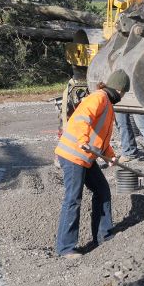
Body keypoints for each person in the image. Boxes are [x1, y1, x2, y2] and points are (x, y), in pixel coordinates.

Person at [54, 69, 129, 259]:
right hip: (74, 155)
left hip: (85, 156)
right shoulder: (99, 97)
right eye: (125, 92)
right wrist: (82, 139)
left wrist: (110, 156)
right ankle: (66, 248)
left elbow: (101, 139)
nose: (123, 96)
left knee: (102, 190)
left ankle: (103, 236)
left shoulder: (107, 104)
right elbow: (82, 118)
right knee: (73, 199)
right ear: (120, 89)